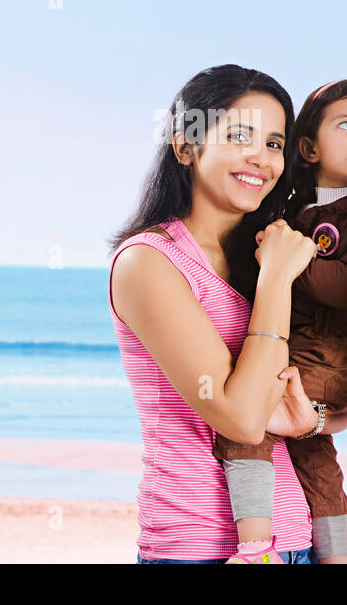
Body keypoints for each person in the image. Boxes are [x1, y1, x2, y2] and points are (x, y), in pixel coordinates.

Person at [107, 64, 325, 563]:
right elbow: (242, 420)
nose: (261, 158)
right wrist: (275, 280)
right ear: (186, 147)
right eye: (240, 135)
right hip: (198, 546)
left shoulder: (265, 254)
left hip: (293, 540)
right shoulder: (150, 261)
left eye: (274, 143)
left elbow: (328, 400)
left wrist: (312, 418)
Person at [211, 77, 347, 562]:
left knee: (251, 417)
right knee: (315, 457)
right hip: (310, 354)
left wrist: (286, 261)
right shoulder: (299, 208)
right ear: (309, 146)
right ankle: (337, 555)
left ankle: (255, 546)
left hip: (333, 356)